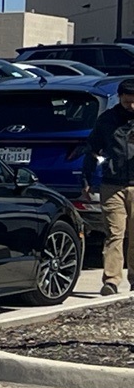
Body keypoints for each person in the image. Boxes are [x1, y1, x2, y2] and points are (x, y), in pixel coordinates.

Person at [84, 78, 134, 295]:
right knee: (115, 234)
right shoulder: (107, 120)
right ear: (119, 98)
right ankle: (112, 280)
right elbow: (93, 149)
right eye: (127, 102)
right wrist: (86, 180)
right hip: (112, 185)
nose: (131, 107)